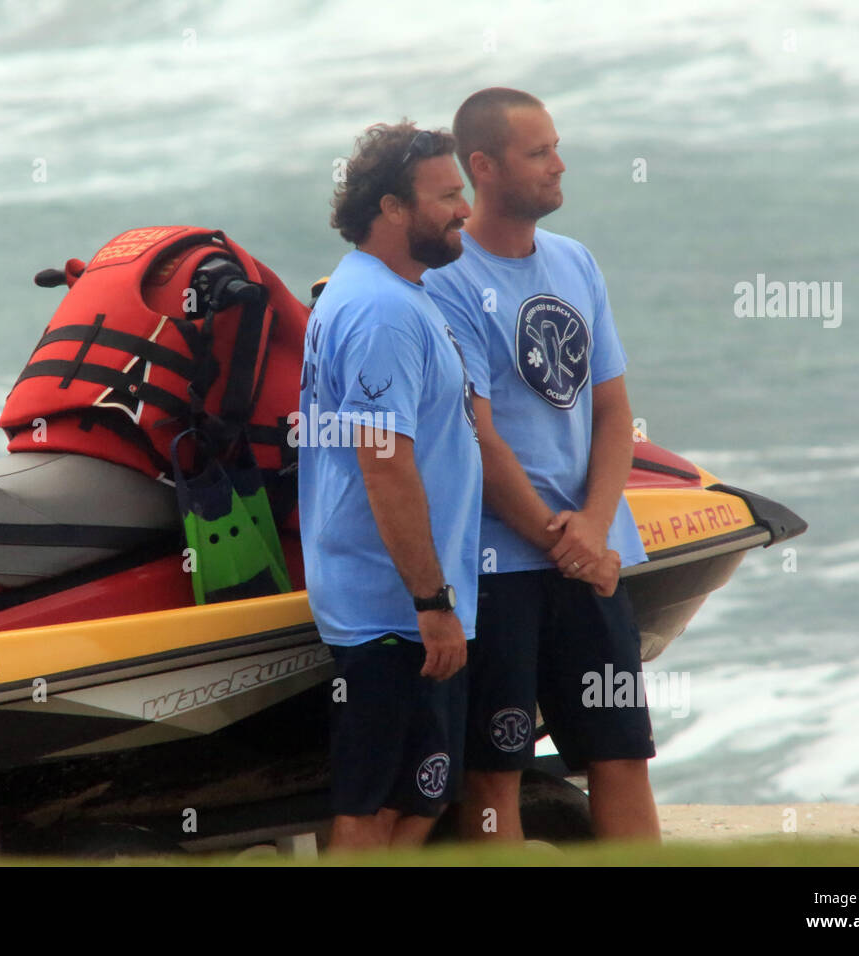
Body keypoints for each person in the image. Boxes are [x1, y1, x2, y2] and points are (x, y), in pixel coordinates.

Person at [422, 88, 661, 842]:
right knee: (495, 768)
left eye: (555, 147)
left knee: (622, 752)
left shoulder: (575, 261)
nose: (560, 165)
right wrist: (566, 542)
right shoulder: (447, 283)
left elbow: (614, 411)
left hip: (591, 554)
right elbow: (477, 438)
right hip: (499, 568)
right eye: (539, 153)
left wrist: (594, 527)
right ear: (484, 167)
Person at [299, 121, 481, 851]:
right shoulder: (382, 313)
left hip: (395, 597)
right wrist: (431, 602)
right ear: (392, 209)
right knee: (376, 808)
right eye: (446, 195)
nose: (464, 208)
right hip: (390, 605)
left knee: (417, 801)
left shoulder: (378, 290)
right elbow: (384, 464)